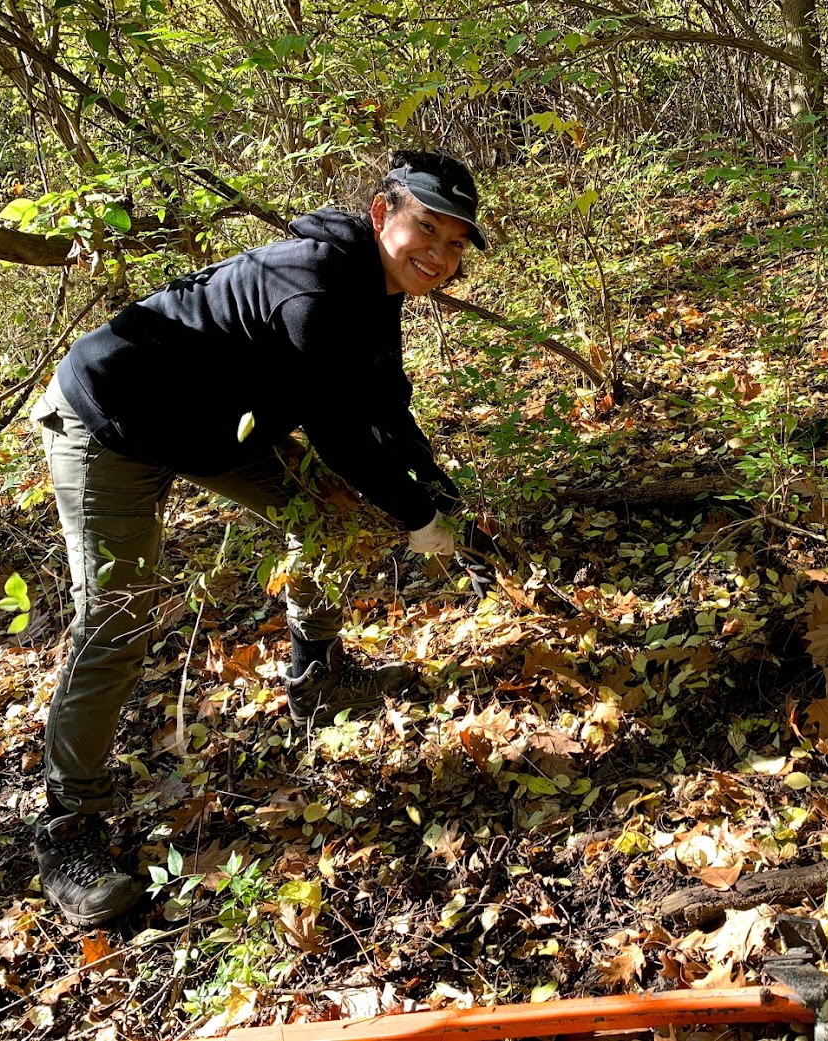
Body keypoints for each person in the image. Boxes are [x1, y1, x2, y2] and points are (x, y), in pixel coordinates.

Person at [27, 150, 487, 927]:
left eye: (455, 245)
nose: (438, 257)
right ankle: (67, 829)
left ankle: (315, 676)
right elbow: (343, 433)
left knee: (335, 517)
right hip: (110, 420)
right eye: (426, 231)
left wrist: (448, 502)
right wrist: (420, 521)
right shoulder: (312, 286)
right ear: (383, 214)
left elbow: (385, 406)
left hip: (215, 428)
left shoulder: (375, 291)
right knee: (119, 617)